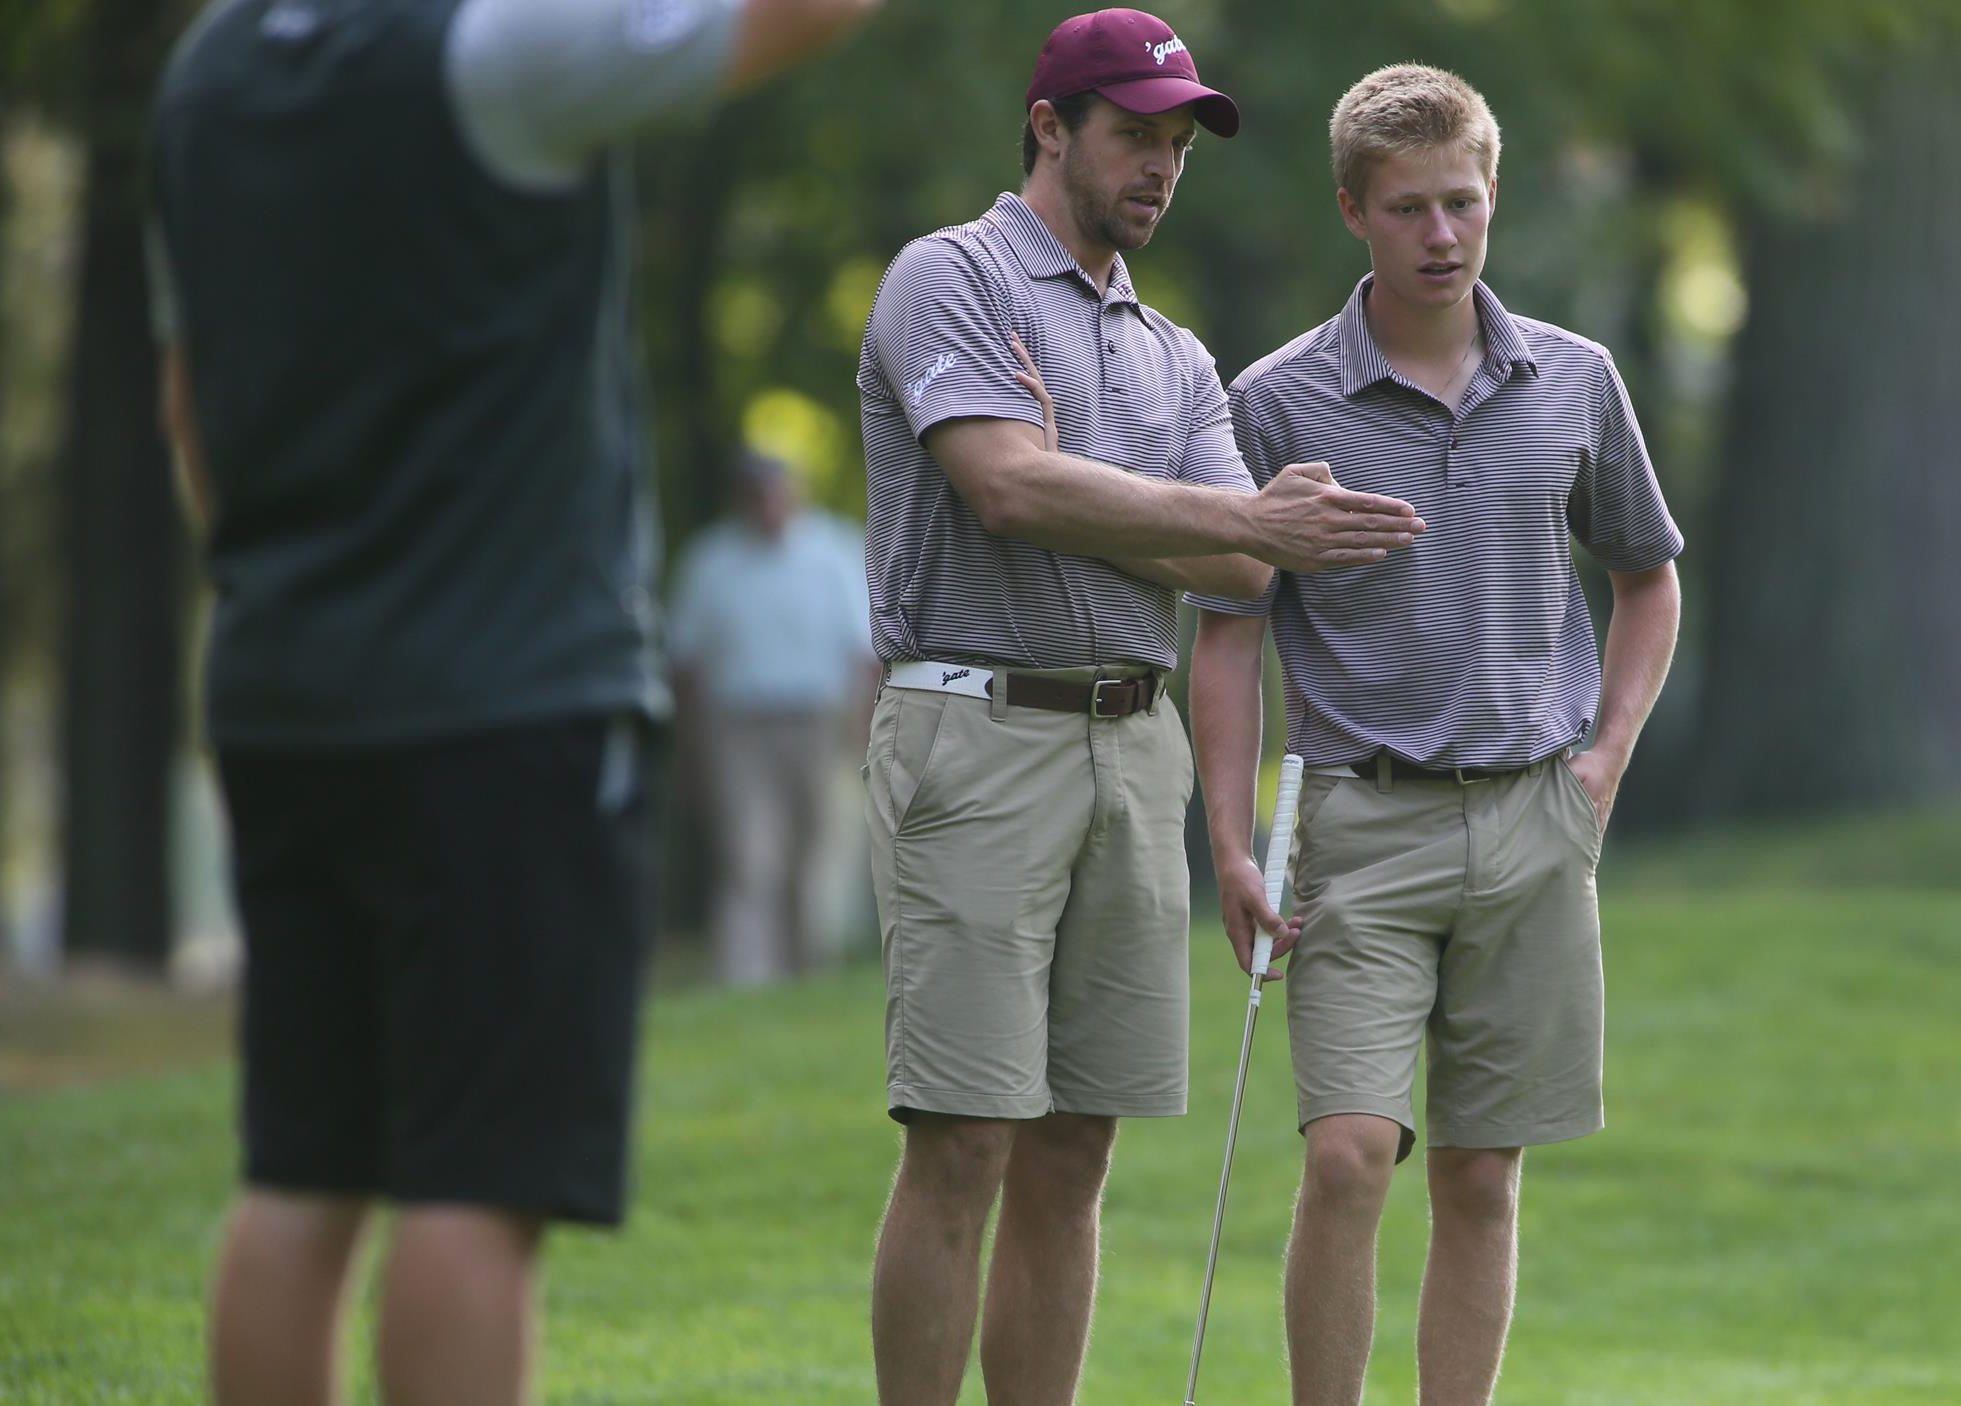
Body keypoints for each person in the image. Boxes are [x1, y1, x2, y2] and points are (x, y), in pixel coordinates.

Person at [145, 2, 881, 1403]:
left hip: (283, 687)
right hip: (503, 706)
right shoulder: (494, 48)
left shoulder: (209, 72)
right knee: (474, 1190)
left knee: (300, 1173)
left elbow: (193, 407)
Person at [853, 11, 1426, 1404]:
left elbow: (1241, 559)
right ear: (1050, 126)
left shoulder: (1170, 354)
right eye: (1135, 135)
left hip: (1134, 745)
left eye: (1177, 145)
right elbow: (1002, 484)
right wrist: (1122, 499)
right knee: (965, 1137)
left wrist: (1095, 492)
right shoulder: (956, 277)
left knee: (1075, 1145)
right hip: (976, 731)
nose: (1161, 166)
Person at [1185, 63, 1686, 1406]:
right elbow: (1227, 634)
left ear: (1494, 192)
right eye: (1408, 209)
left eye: (1461, 202)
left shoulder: (1574, 380)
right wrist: (1229, 843)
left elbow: (1648, 576)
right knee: (1350, 1152)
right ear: (1354, 208)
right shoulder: (1276, 399)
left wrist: (1604, 758)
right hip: (1358, 820)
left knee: (1481, 1169)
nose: (1442, 235)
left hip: (1535, 818)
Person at [670, 449, 876, 985]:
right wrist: (691, 746)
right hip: (738, 725)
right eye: (755, 494)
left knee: (818, 851)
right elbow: (687, 664)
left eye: (775, 492)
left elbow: (864, 654)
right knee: (748, 854)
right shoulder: (710, 561)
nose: (767, 505)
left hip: (820, 721)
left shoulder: (835, 552)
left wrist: (863, 729)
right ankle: (748, 977)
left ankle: (812, 968)